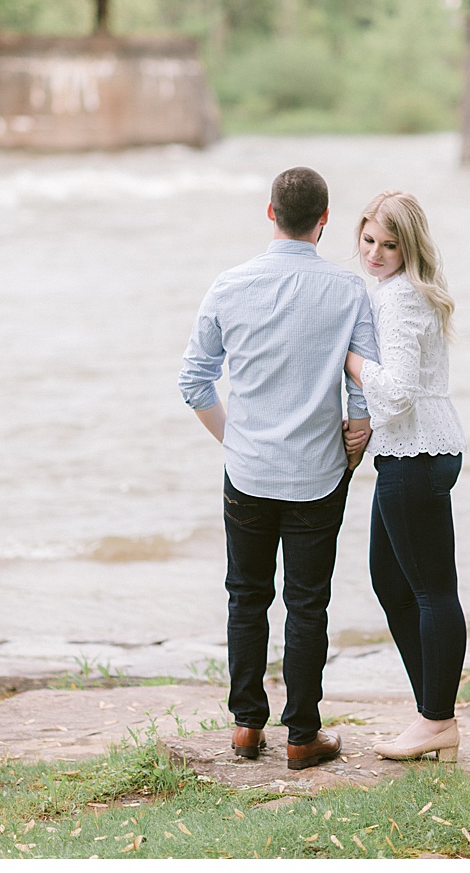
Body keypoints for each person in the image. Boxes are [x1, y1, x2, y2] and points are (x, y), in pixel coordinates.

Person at [178, 166, 378, 770]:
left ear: (270, 213)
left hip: (248, 471)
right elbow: (363, 386)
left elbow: (193, 382)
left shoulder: (229, 285)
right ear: (325, 220)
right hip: (317, 471)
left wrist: (234, 440)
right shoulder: (349, 290)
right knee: (307, 604)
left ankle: (246, 727)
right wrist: (355, 441)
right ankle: (301, 736)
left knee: (245, 597)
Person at [343, 191, 466, 762]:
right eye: (368, 239)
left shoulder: (398, 300)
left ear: (409, 247)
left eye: (389, 245)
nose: (375, 253)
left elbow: (395, 395)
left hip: (415, 455)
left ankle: (436, 720)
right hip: (414, 451)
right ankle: (431, 712)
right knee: (391, 584)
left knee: (431, 591)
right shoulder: (401, 292)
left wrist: (349, 359)